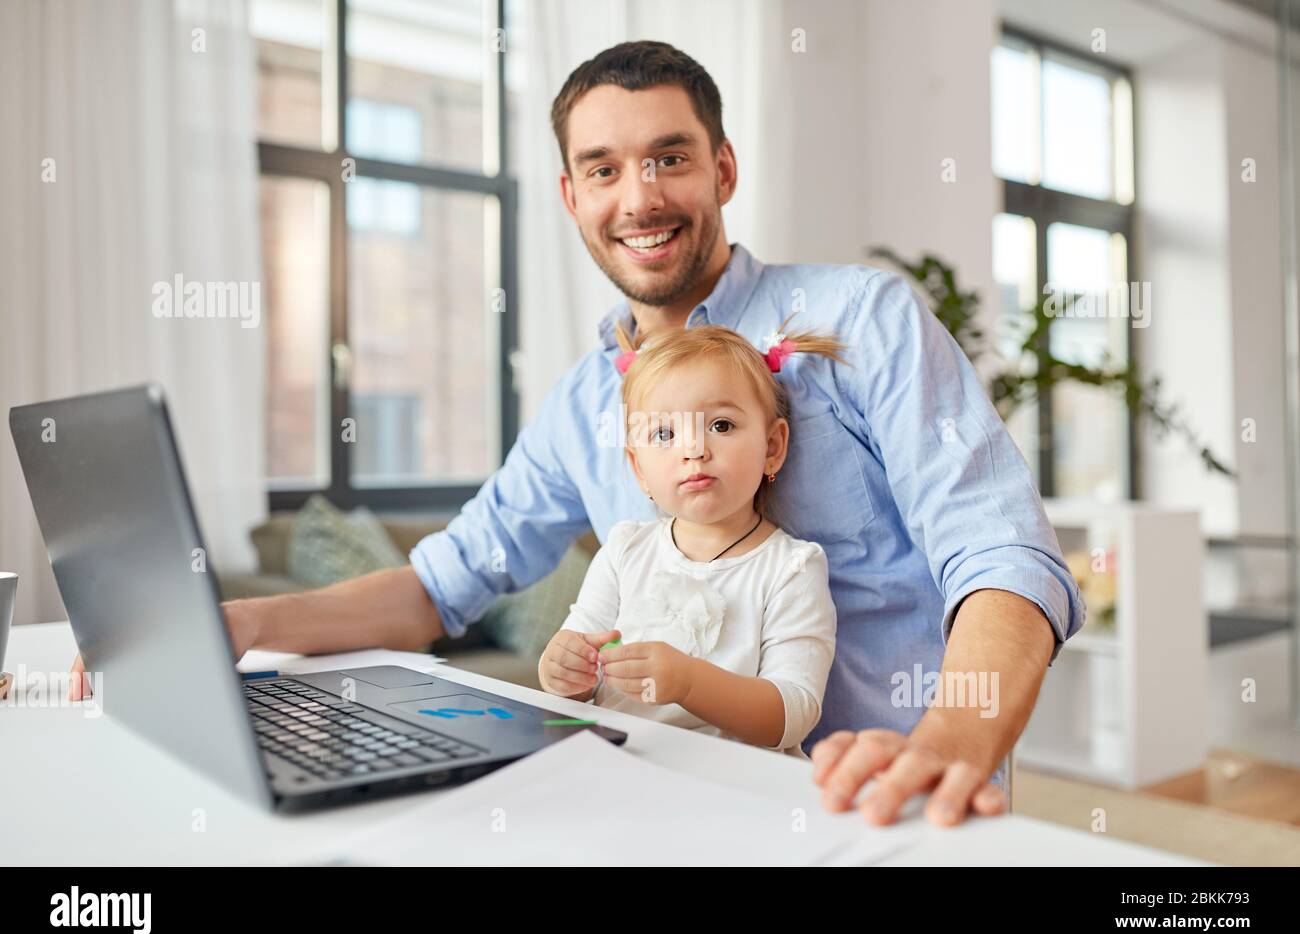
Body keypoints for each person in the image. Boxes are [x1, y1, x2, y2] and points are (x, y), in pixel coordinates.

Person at [70, 40, 1083, 827]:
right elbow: (440, 582)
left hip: (882, 802)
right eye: (601, 169)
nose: (637, 197)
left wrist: (959, 726)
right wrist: (244, 624)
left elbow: (997, 550)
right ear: (570, 196)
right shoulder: (577, 406)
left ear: (722, 168)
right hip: (673, 801)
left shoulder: (862, 320)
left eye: (668, 158)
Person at [538, 323, 841, 756]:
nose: (694, 449)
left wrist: (688, 681)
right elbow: (573, 677)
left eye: (720, 424)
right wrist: (560, 671)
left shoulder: (791, 568)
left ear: (772, 446)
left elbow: (792, 714)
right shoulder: (625, 551)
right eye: (664, 434)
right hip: (623, 771)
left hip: (738, 788)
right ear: (639, 469)